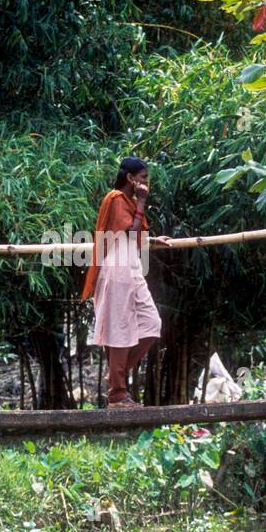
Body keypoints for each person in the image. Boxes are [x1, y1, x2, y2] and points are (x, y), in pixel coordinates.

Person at [79, 156, 170, 408]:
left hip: (131, 270)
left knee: (152, 323)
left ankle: (115, 377)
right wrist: (141, 201)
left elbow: (135, 236)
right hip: (117, 271)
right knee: (119, 331)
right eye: (143, 178)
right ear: (131, 178)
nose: (146, 184)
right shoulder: (116, 199)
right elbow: (129, 232)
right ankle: (117, 393)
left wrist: (152, 240)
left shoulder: (129, 202)